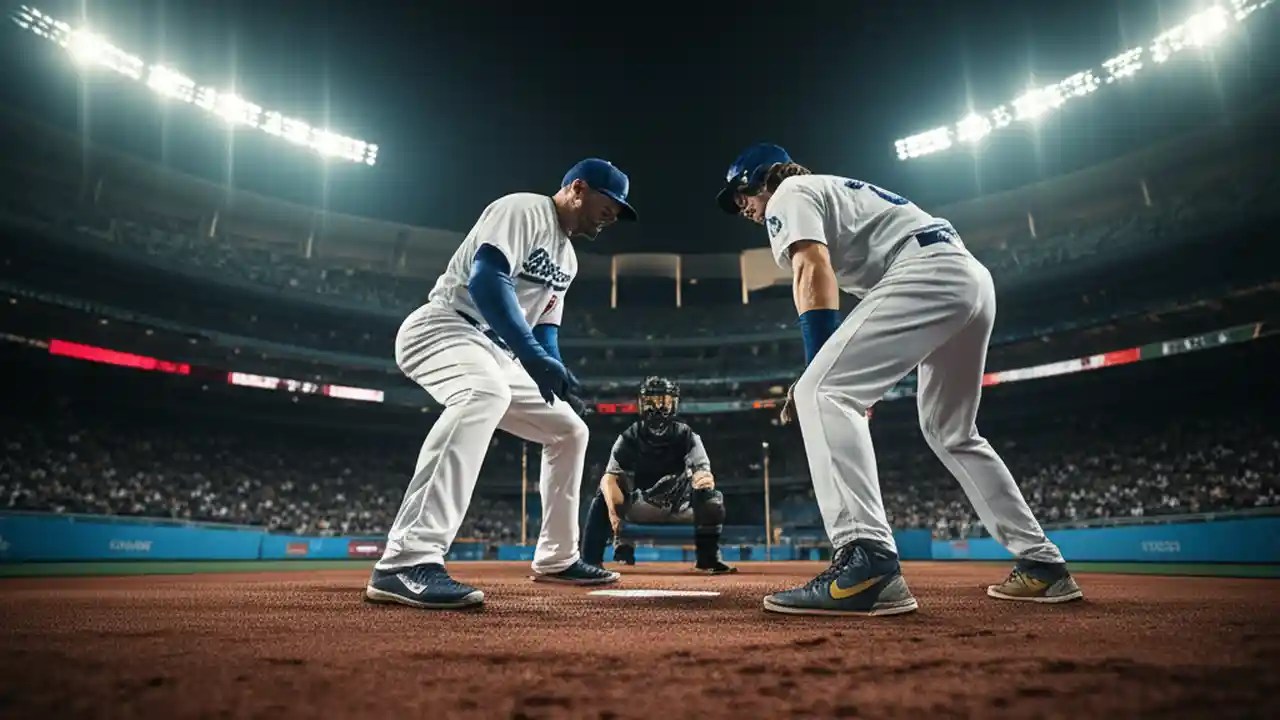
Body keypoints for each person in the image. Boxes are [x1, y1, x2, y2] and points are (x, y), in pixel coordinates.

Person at [715, 143, 1083, 616]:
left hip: (926, 273)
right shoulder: (832, 191)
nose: (742, 206)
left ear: (764, 178)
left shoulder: (789, 192)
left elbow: (810, 267)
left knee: (822, 391)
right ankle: (1042, 564)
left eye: (742, 193)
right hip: (965, 276)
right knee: (952, 432)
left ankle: (865, 562)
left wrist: (819, 365)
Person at [365, 158, 637, 609]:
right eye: (611, 205)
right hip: (446, 326)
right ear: (579, 189)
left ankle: (556, 558)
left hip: (500, 351)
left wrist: (556, 370)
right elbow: (487, 278)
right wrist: (532, 356)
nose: (614, 216)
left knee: (570, 430)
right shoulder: (524, 209)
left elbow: (546, 325)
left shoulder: (567, 258)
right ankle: (405, 560)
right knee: (483, 393)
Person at [580, 377, 737, 574]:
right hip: (642, 504)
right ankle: (590, 559)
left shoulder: (687, 436)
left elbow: (704, 473)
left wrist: (702, 480)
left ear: (674, 404)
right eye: (650, 403)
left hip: (680, 506)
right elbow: (609, 478)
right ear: (641, 404)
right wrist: (615, 513)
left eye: (663, 402)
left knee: (713, 499)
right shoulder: (629, 437)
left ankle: (708, 559)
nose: (657, 409)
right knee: (605, 492)